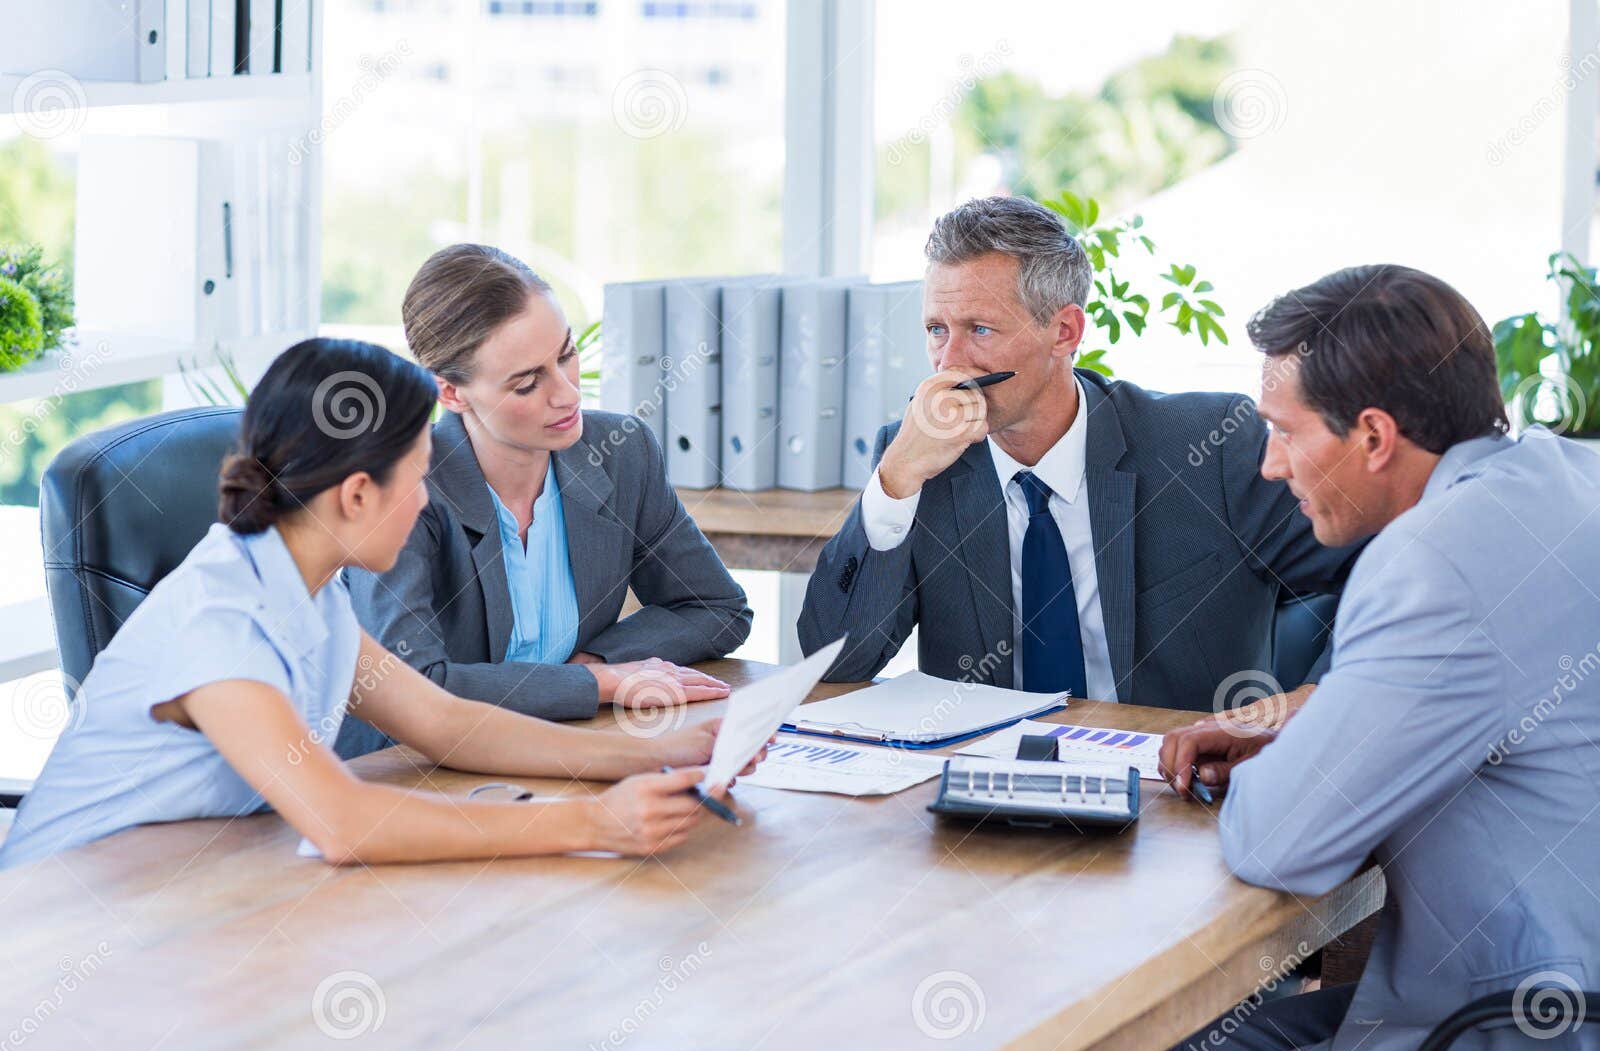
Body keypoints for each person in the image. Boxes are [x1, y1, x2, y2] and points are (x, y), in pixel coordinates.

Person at [0, 339, 751, 870]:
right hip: (62, 923)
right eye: (419, 478)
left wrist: (655, 753)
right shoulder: (219, 625)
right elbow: (345, 823)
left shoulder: (304, 585)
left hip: (195, 890)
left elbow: (443, 722)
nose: (428, 498)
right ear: (357, 494)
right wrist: (594, 822)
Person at [1158, 264, 1600, 1051]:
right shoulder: (1562, 474)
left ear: (1372, 435)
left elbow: (1276, 842)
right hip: (1528, 988)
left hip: (1520, 1047)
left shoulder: (1437, 562)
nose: (1269, 464)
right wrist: (1322, 714)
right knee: (1179, 1048)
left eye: (1285, 431)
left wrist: (1308, 745)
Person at [796, 196, 1362, 713]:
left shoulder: (1208, 445)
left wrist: (1310, 703)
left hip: (1175, 786)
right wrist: (894, 481)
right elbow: (835, 664)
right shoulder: (918, 460)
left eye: (981, 330)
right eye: (937, 329)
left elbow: (1383, 568)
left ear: (1064, 330)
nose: (950, 363)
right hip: (982, 791)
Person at [337, 244, 751, 759]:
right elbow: (413, 688)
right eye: (528, 382)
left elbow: (715, 606)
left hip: (561, 748)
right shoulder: (402, 489)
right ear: (451, 394)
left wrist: (597, 661)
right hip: (406, 771)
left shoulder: (622, 452)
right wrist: (596, 686)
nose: (568, 394)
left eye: (567, 354)